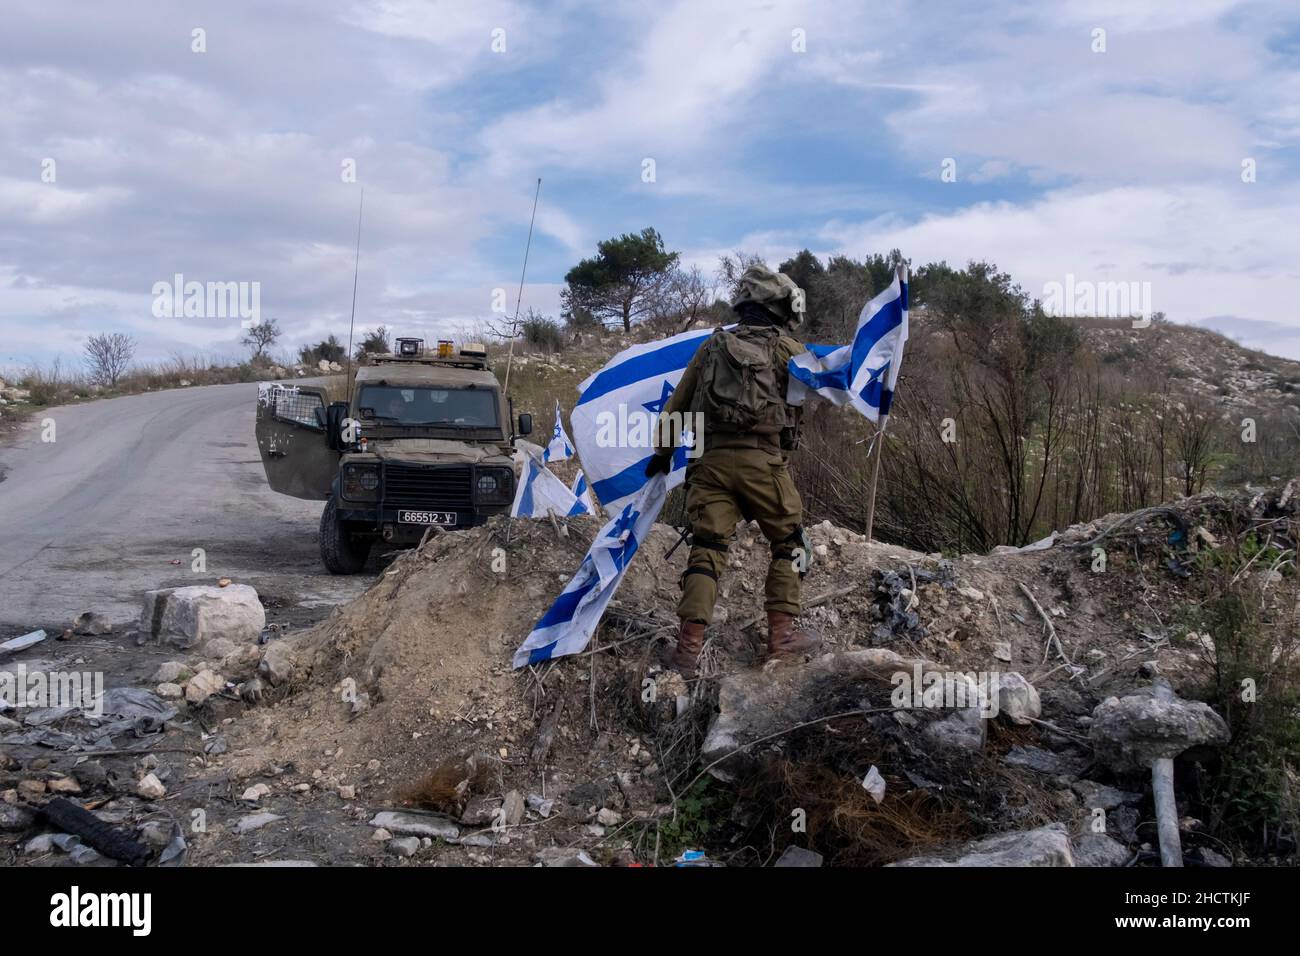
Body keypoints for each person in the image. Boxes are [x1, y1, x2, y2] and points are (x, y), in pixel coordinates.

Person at [645, 265, 820, 678]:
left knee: (708, 547)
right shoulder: (790, 352)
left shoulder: (711, 348)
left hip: (710, 463)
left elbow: (677, 408)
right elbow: (798, 414)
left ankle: (687, 653)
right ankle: (781, 639)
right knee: (790, 542)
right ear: (778, 307)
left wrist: (662, 454)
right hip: (765, 465)